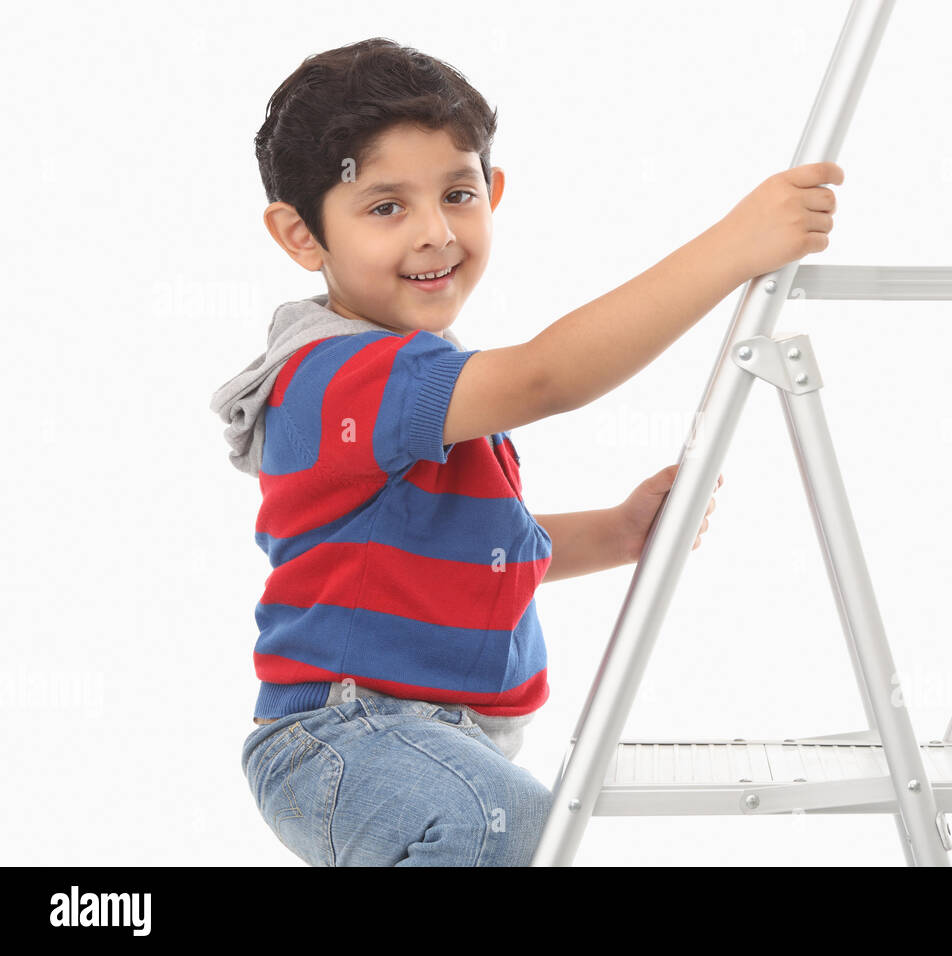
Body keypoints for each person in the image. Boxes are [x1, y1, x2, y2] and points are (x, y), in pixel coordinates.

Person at [211, 37, 841, 867]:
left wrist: (616, 533)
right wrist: (735, 247)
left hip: (429, 739)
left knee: (514, 827)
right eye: (386, 207)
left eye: (459, 194)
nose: (437, 234)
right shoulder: (346, 376)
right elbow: (548, 376)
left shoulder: (412, 377)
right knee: (508, 824)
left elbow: (473, 550)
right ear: (301, 235)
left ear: (493, 193)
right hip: (346, 735)